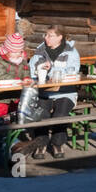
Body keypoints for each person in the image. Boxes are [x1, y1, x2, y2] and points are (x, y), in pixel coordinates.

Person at [27, 24, 80, 160]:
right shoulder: (40, 51)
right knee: (42, 113)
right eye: (46, 35)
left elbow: (72, 71)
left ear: (59, 37)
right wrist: (41, 70)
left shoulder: (71, 52)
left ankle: (57, 143)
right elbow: (32, 70)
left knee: (60, 113)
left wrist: (52, 69)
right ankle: (41, 143)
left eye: (50, 35)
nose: (46, 38)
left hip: (65, 92)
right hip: (44, 92)